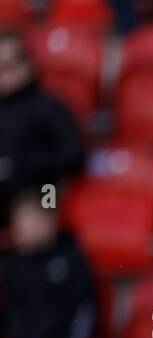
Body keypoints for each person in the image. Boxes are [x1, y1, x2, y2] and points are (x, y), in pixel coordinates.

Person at [0, 188, 94, 338]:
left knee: (80, 313)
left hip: (54, 331)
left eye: (27, 219)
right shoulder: (14, 262)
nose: (20, 227)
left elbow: (81, 305)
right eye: (18, 220)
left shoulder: (70, 258)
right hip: (22, 329)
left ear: (47, 221)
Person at [0, 32, 83, 227]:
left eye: (9, 66)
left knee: (46, 198)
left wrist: (26, 164)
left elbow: (73, 155)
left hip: (40, 189)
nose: (4, 75)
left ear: (27, 65)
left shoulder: (49, 106)